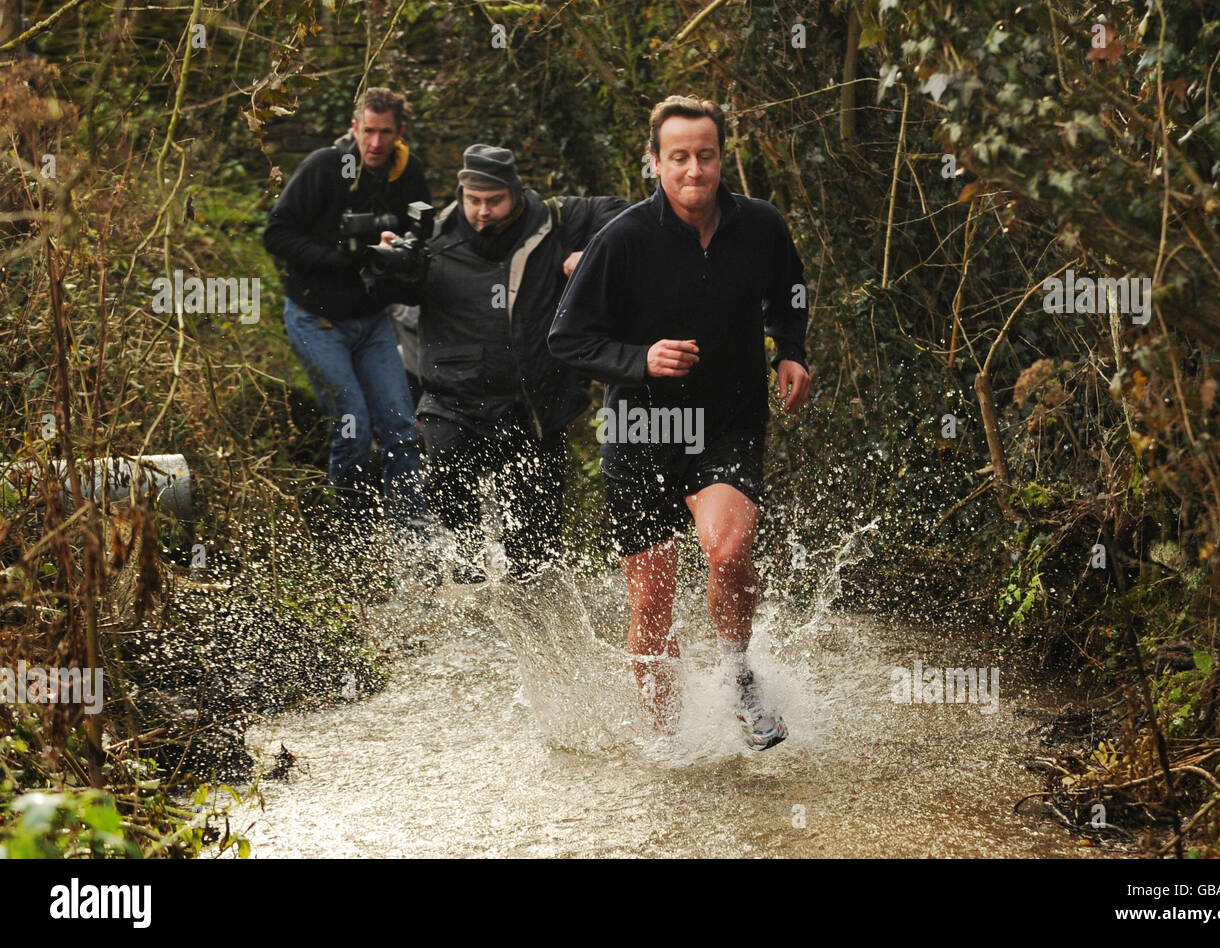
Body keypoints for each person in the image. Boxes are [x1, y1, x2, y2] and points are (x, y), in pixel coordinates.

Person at [548, 96, 812, 749]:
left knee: (727, 549)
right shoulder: (622, 239)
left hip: (727, 417)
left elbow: (789, 294)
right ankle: (668, 744)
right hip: (642, 433)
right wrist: (639, 358)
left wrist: (792, 350)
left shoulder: (762, 226)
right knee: (651, 602)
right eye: (680, 158)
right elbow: (567, 339)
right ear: (655, 163)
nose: (694, 170)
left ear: (723, 158)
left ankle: (739, 677)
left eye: (706, 156)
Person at [390, 144, 627, 581]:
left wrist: (591, 256)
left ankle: (529, 626)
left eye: (494, 200)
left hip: (533, 406)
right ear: (461, 193)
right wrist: (390, 261)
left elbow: (629, 217)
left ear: (515, 193)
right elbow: (386, 290)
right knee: (448, 497)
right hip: (453, 400)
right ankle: (467, 591)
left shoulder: (555, 220)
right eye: (473, 200)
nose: (482, 211)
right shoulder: (434, 236)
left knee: (534, 554)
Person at [263, 87, 431, 533]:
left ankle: (411, 534)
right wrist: (345, 257)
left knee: (400, 426)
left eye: (386, 133)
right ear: (355, 127)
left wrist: (401, 250)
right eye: (368, 131)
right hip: (316, 318)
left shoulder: (406, 171)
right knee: (353, 426)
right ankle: (351, 537)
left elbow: (420, 233)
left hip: (373, 320)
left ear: (400, 132)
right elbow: (276, 235)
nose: (375, 144)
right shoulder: (325, 166)